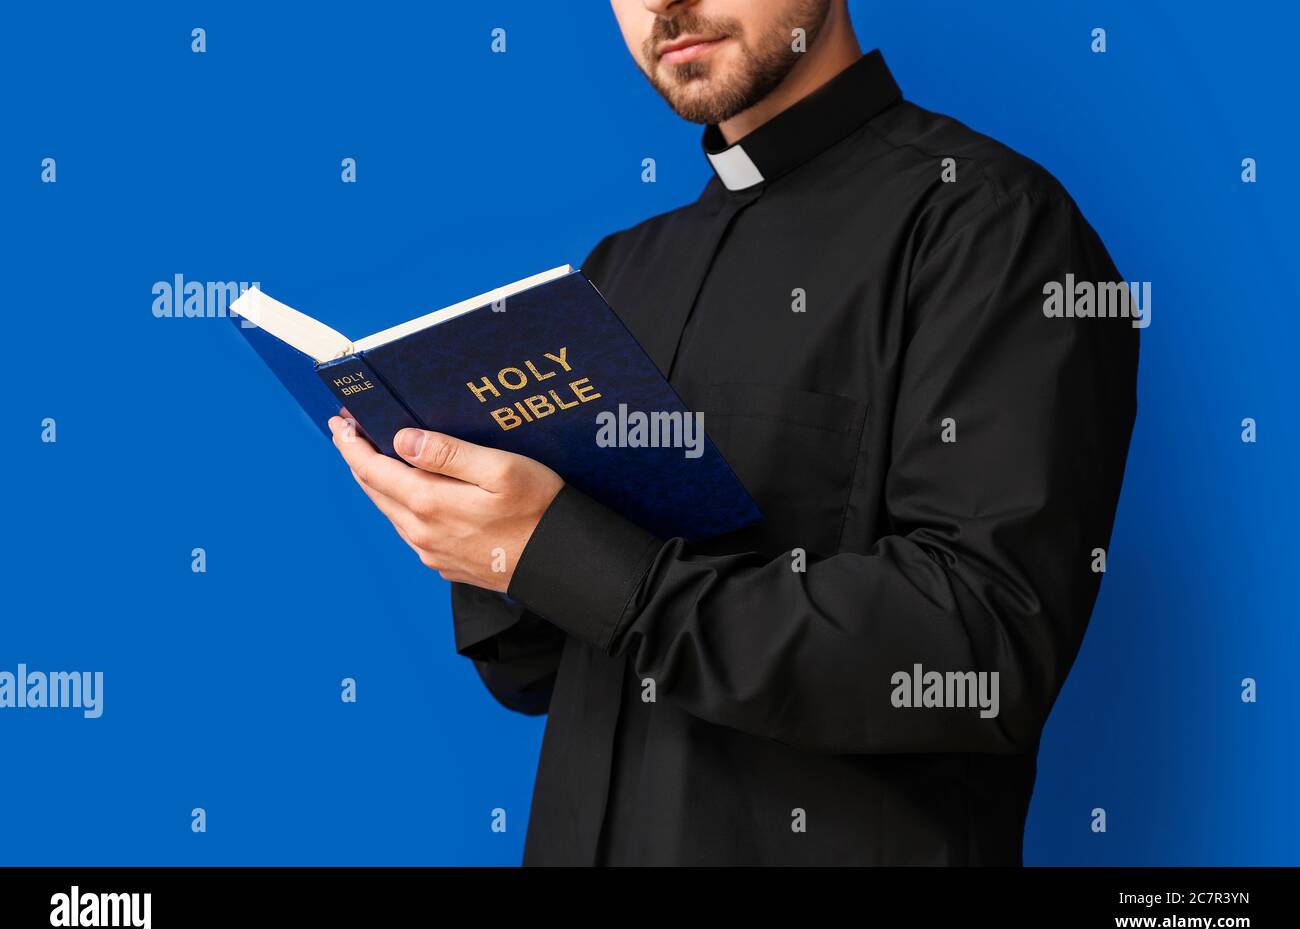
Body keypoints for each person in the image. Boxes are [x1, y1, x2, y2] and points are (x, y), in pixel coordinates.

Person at [328, 0, 1140, 865]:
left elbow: (984, 656)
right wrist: (481, 538)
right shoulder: (619, 273)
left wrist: (580, 560)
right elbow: (534, 677)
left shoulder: (988, 225)